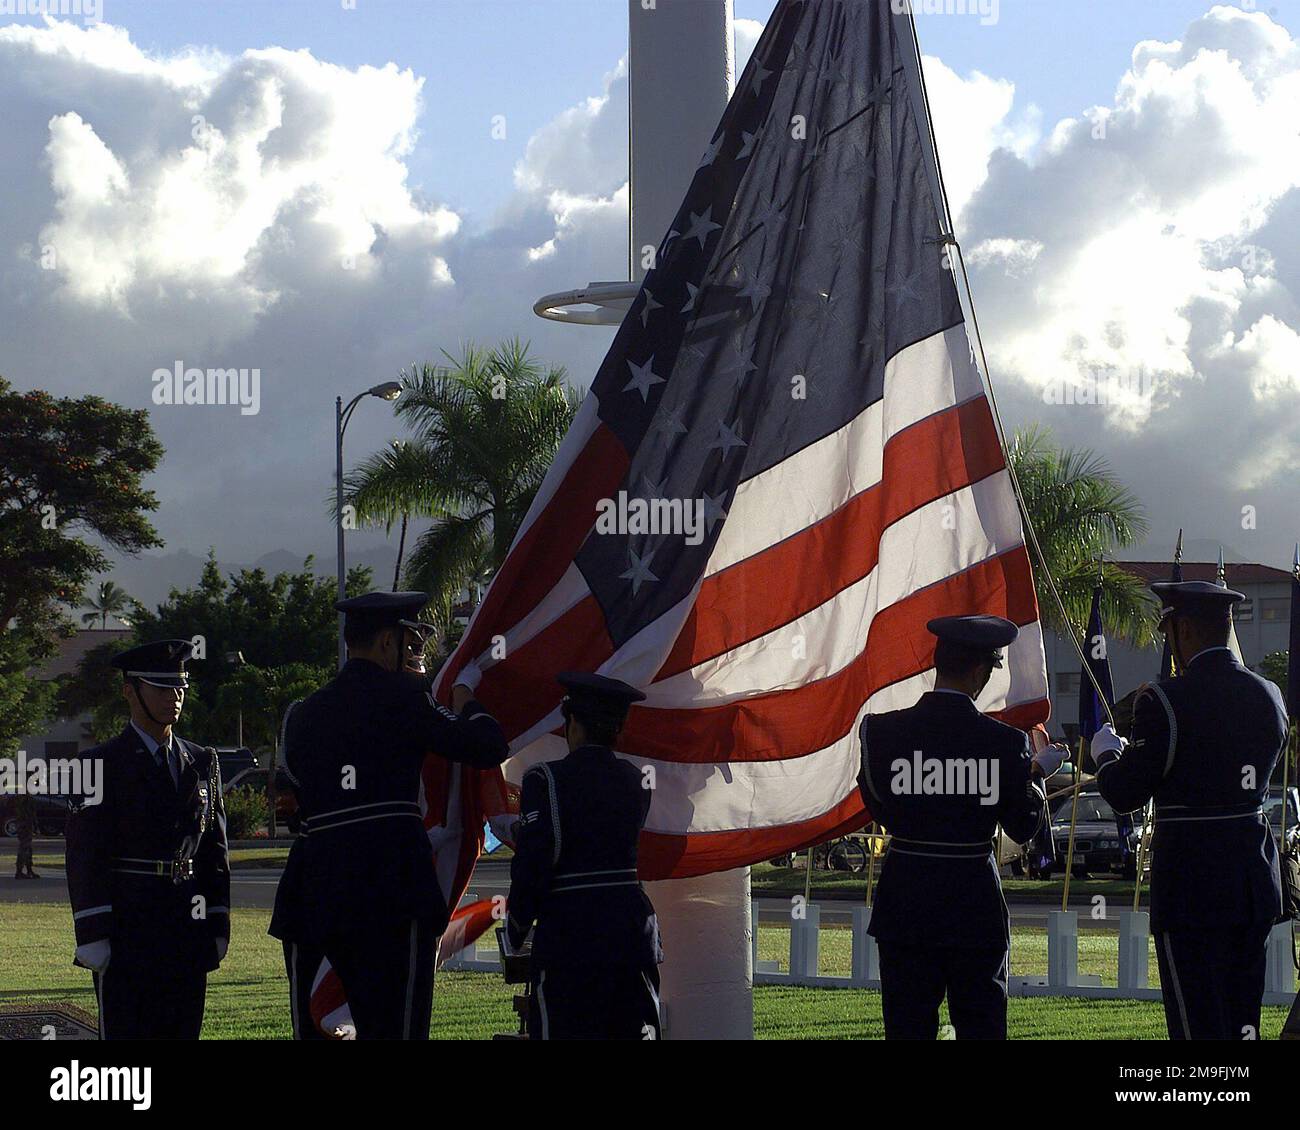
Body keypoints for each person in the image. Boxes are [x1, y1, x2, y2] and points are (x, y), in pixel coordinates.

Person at [269, 591, 509, 1040]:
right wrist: (465, 696)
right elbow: (487, 746)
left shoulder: (301, 714)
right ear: (385, 643)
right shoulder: (406, 698)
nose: (413, 653)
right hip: (391, 888)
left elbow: (296, 804)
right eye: (409, 641)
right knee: (396, 1028)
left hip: (314, 889)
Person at [1092, 580, 1287, 1041]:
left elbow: (1125, 793)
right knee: (1243, 1023)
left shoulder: (1164, 701)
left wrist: (1106, 756)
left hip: (1191, 888)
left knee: (1196, 1024)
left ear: (1181, 629)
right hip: (1252, 882)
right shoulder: (1269, 695)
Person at [858, 615, 1062, 1040]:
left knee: (907, 1030)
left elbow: (881, 808)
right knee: (981, 1028)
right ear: (978, 671)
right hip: (973, 906)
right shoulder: (1003, 743)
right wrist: (1037, 774)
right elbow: (1023, 825)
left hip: (905, 905)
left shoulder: (882, 733)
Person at [65, 639, 230, 1039]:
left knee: (182, 1029)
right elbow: (86, 854)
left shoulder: (202, 760)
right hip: (128, 926)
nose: (173, 697)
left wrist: (218, 921)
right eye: (160, 687)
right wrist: (93, 932)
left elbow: (214, 850)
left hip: (186, 926)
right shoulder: (98, 765)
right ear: (130, 691)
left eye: (179, 687)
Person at [506, 671, 663, 1040]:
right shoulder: (635, 781)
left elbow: (537, 860)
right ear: (617, 728)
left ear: (572, 722)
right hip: (632, 932)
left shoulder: (544, 780)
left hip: (572, 936)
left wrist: (516, 928)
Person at [14, 792, 38, 879]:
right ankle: (20, 871)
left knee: (28, 848)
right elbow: (27, 813)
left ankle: (29, 869)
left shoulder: (23, 797)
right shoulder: (24, 798)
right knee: (24, 847)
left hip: (25, 824)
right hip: (24, 824)